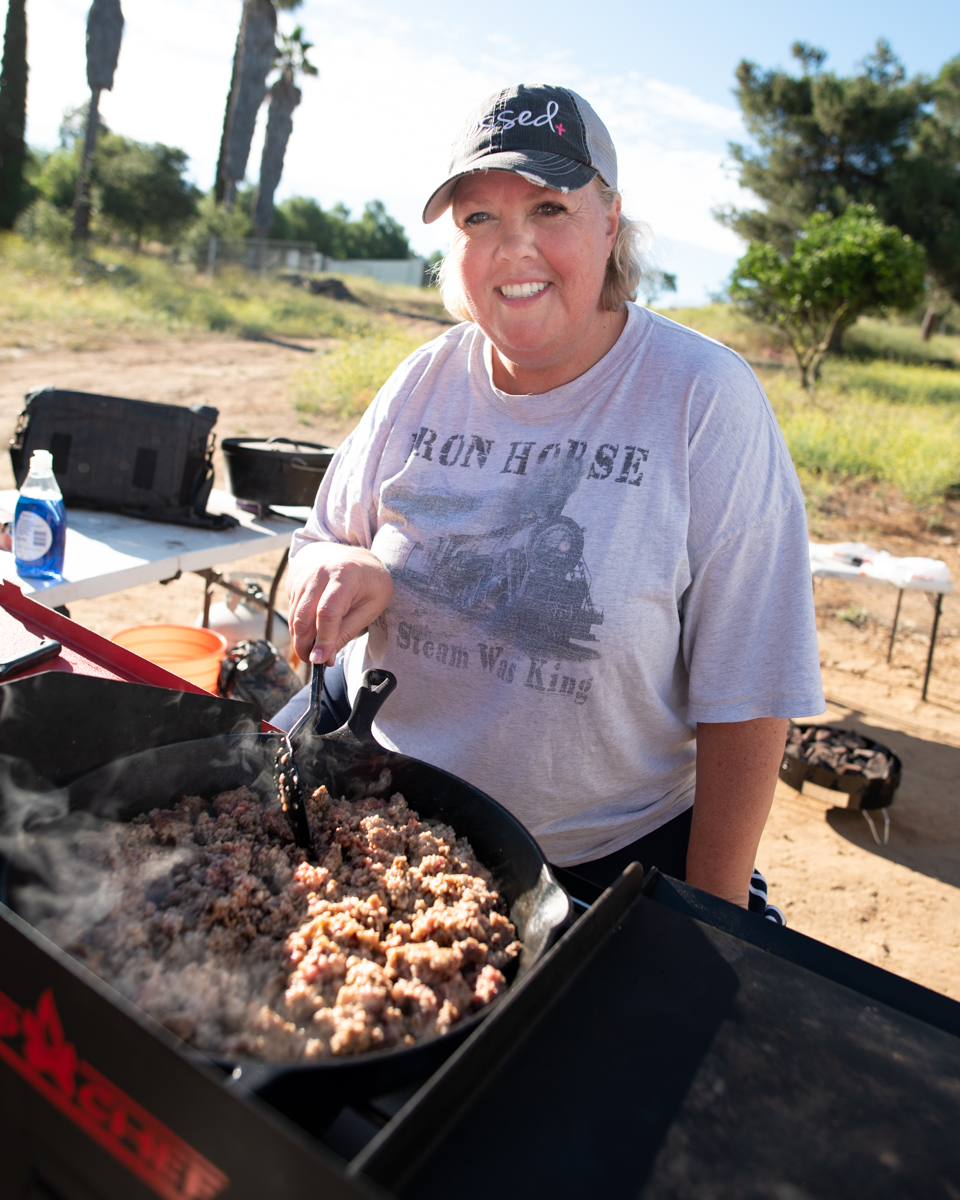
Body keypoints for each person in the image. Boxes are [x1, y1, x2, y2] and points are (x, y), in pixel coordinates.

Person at [280, 83, 824, 911]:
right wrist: (343, 566)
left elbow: (750, 687)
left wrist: (711, 919)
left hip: (603, 863)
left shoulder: (702, 398)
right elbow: (316, 545)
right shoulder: (420, 382)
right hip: (389, 823)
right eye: (479, 219)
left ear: (610, 221)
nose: (513, 248)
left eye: (548, 209)